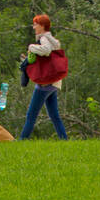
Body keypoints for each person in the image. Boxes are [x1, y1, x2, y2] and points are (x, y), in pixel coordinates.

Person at [19, 13, 69, 141]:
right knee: (54, 115)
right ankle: (64, 139)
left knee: (31, 114)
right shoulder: (52, 39)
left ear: (42, 26)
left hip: (45, 83)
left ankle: (22, 140)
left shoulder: (43, 39)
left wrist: (31, 47)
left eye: (35, 24)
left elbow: (46, 50)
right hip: (54, 83)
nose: (34, 27)